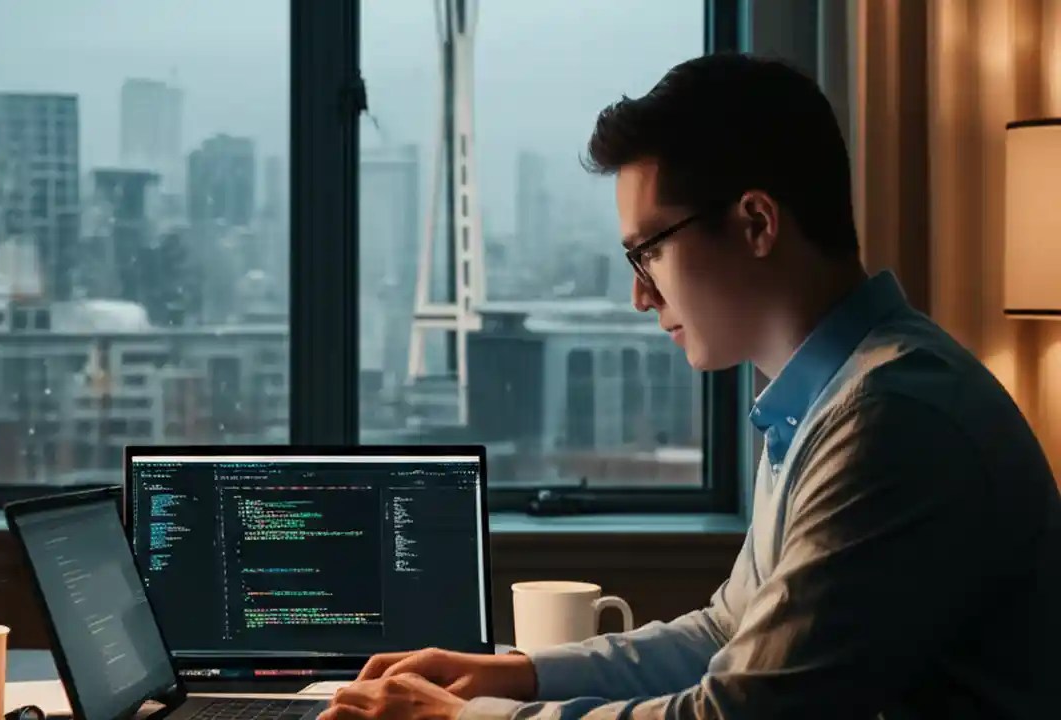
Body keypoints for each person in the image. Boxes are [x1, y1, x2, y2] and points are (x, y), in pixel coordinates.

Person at [317, 53, 1061, 720]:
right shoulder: (825, 403)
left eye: (648, 253)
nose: (641, 296)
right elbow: (728, 631)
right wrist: (509, 675)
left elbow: (734, 712)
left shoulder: (888, 420)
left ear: (756, 223)